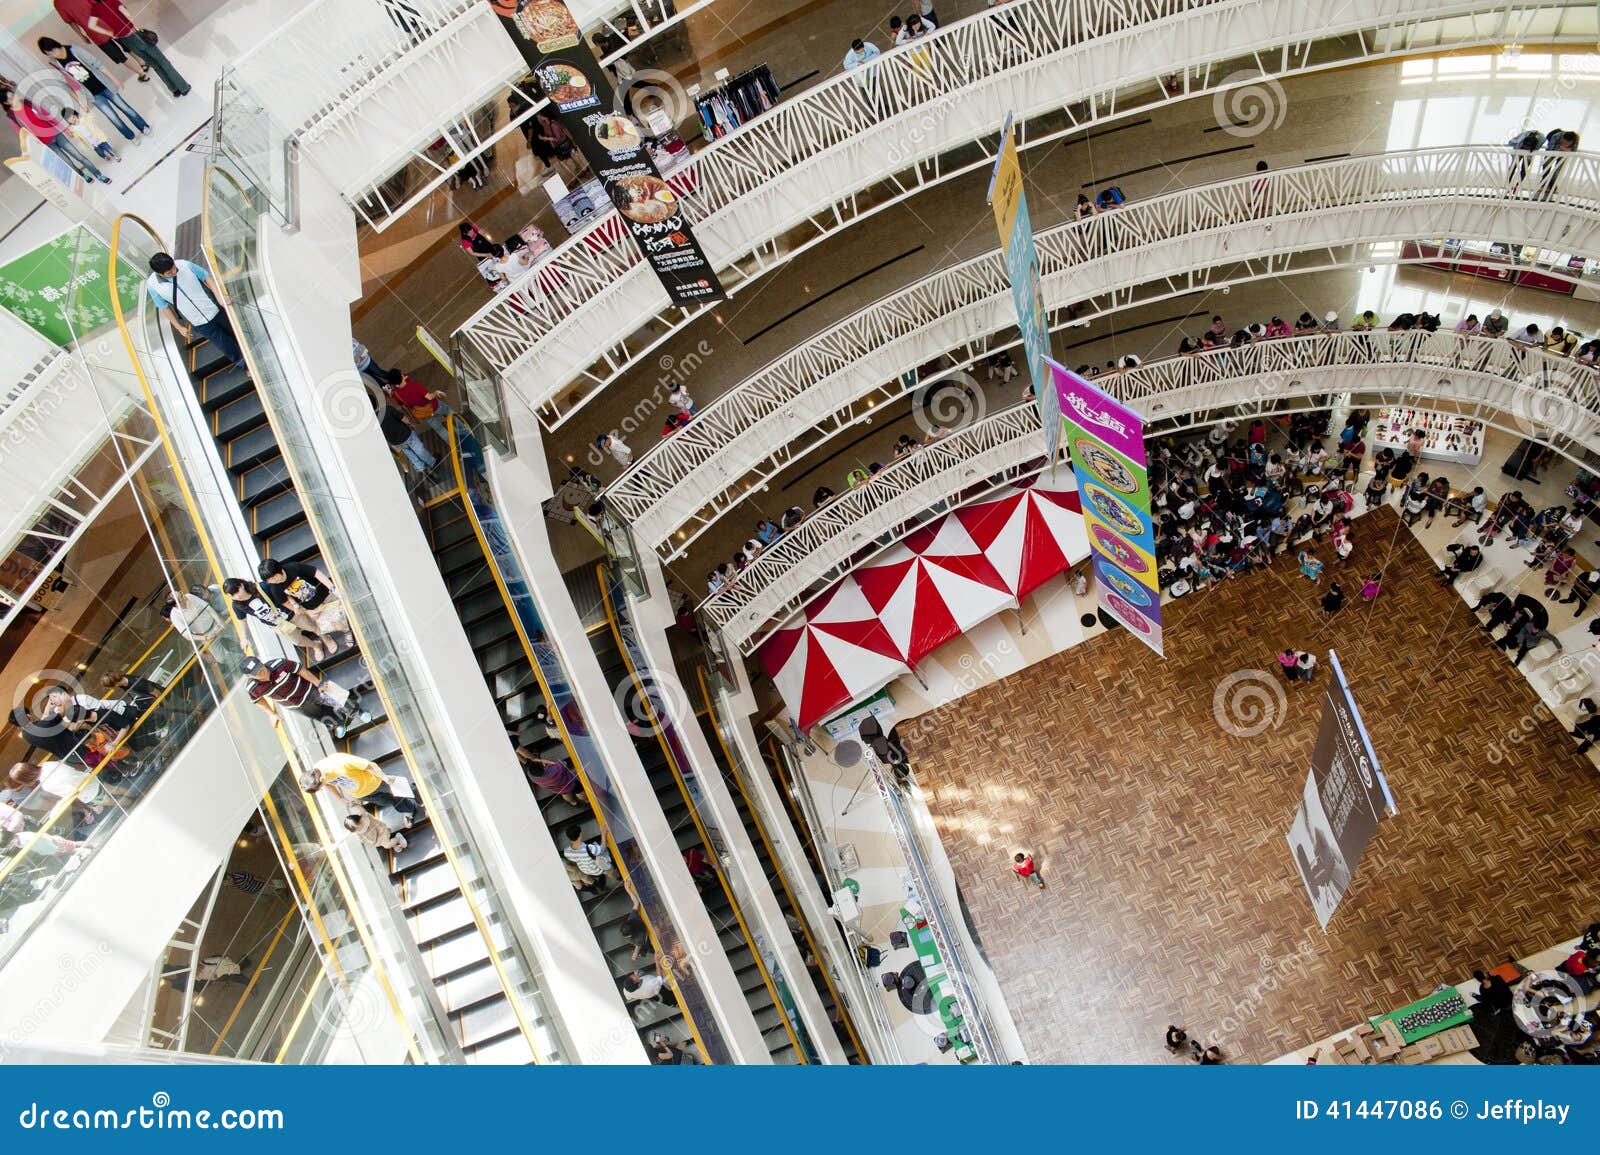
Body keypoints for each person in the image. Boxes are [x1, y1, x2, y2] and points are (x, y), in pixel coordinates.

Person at [53, 0, 190, 96]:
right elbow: (127, 14)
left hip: (117, 37)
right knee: (162, 61)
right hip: (132, 34)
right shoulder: (111, 1)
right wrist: (130, 23)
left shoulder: (94, 10)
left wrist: (108, 33)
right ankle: (183, 87)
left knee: (153, 63)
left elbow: (91, 25)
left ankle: (173, 89)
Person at [146, 253, 246, 370]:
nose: (174, 272)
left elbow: (206, 276)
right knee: (225, 345)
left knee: (237, 331)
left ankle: (254, 353)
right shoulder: (153, 285)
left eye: (173, 267)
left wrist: (219, 295)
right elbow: (163, 307)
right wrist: (179, 327)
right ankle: (246, 366)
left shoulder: (184, 265)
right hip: (199, 322)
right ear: (159, 274)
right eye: (169, 272)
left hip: (215, 308)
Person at [37, 36, 149, 140]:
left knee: (125, 107)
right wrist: (81, 103)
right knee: (112, 117)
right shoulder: (55, 64)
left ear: (57, 46)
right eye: (48, 53)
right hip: (92, 95)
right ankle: (130, 136)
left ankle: (143, 127)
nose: (52, 54)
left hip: (105, 85)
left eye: (52, 51)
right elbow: (66, 86)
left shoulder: (74, 50)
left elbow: (97, 64)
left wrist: (114, 79)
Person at [0, 80, 110, 183]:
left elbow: (47, 115)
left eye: (13, 94)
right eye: (11, 97)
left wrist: (64, 128)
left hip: (56, 134)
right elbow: (22, 133)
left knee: (78, 156)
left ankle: (98, 174)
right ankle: (82, 175)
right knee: (68, 163)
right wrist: (34, 146)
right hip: (45, 143)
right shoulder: (12, 116)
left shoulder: (28, 103)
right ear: (6, 102)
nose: (14, 96)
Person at [243, 656, 369, 738]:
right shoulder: (252, 688)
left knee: (337, 698)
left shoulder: (278, 664)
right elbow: (257, 700)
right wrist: (271, 713)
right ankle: (337, 724)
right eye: (257, 673)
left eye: (260, 667)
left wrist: (318, 683)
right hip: (296, 705)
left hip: (309, 690)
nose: (262, 672)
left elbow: (300, 670)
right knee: (319, 714)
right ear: (250, 677)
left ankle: (358, 711)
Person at [258, 558, 351, 655]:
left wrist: (332, 587)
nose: (273, 581)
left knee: (344, 612)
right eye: (269, 580)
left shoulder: (293, 567)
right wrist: (307, 612)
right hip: (313, 607)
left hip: (325, 594)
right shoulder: (275, 588)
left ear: (279, 571)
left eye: (273, 577)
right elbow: (286, 603)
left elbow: (316, 573)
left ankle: (347, 630)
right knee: (333, 622)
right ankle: (346, 631)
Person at [301, 753, 420, 819]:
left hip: (376, 782)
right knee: (389, 801)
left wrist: (384, 777)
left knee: (404, 790)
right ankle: (410, 809)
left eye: (320, 787)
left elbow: (368, 766)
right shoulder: (318, 773)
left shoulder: (339, 762)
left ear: (321, 780)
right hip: (362, 794)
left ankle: (424, 800)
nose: (323, 787)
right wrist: (342, 799)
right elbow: (328, 785)